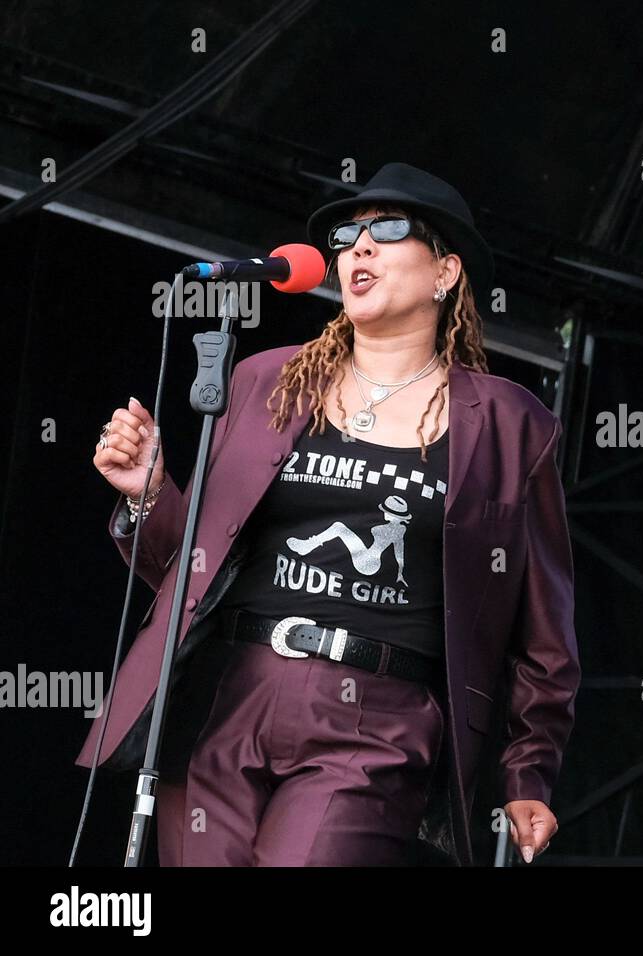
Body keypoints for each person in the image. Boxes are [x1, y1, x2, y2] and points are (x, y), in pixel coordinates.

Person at [82, 162, 580, 866]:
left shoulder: (509, 423)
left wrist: (529, 769)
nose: (359, 247)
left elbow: (543, 627)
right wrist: (148, 494)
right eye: (348, 234)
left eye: (390, 230)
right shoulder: (265, 383)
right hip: (229, 696)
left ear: (446, 273)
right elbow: (186, 570)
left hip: (377, 721)